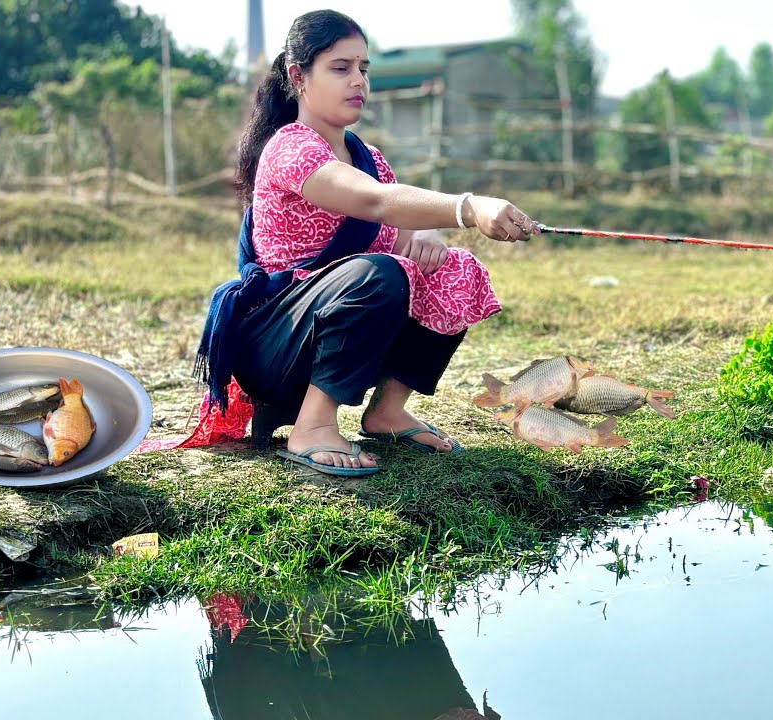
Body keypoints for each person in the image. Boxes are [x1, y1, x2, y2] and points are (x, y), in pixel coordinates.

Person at [194, 9, 537, 476]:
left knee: (457, 268)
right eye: (341, 68)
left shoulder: (369, 157)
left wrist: (425, 234)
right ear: (298, 76)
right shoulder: (290, 148)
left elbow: (395, 222)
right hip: (275, 343)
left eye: (363, 68)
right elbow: (376, 203)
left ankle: (387, 412)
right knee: (378, 273)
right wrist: (468, 207)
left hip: (335, 337)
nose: (358, 80)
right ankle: (312, 427)